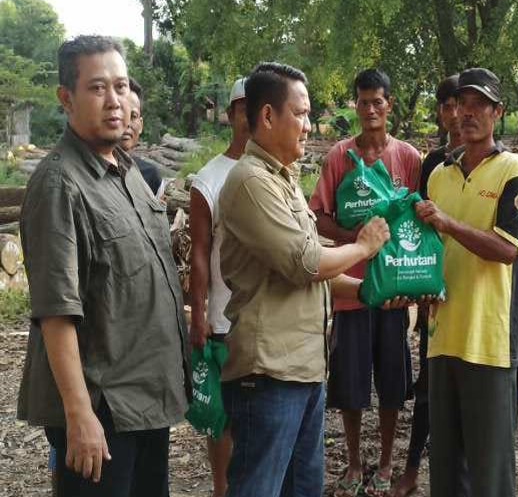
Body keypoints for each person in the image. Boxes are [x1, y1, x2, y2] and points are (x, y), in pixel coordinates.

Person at [18, 35, 190, 497]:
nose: (114, 101)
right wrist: (79, 415)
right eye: (97, 88)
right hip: (103, 410)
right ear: (66, 98)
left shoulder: (127, 171)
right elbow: (56, 311)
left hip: (145, 400)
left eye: (120, 86)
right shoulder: (60, 183)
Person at [218, 62, 391, 497]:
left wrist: (368, 290)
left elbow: (315, 276)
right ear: (268, 116)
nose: (309, 126)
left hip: (304, 369)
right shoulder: (250, 181)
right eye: (301, 114)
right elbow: (307, 263)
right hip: (268, 374)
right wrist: (364, 248)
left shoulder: (285, 180)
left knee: (303, 489)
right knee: (258, 488)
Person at [414, 67, 518, 497]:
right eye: (461, 104)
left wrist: (449, 222)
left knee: (490, 472)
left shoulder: (512, 170)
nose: (467, 113)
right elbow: (428, 252)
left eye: (479, 105)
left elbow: (508, 249)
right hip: (442, 336)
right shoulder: (438, 176)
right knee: (446, 468)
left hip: (489, 341)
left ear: (497, 112)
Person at [309, 68, 421, 497]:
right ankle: (355, 462)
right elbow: (319, 215)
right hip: (349, 290)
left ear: (389, 104)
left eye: (378, 101)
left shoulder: (407, 158)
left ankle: (388, 461)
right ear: (355, 105)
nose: (370, 109)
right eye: (363, 101)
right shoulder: (340, 157)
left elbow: (418, 217)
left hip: (394, 293)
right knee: (350, 384)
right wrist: (353, 239)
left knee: (391, 382)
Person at [391, 74, 463, 497]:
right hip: (434, 288)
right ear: (440, 112)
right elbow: (416, 226)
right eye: (448, 106)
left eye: (461, 105)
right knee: (429, 384)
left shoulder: (496, 164)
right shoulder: (432, 162)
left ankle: (458, 472)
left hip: (473, 288)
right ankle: (413, 467)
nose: (455, 114)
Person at [187, 77, 249, 497]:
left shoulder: (275, 169)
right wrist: (199, 313)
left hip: (263, 319)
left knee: (258, 412)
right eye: (242, 108)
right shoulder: (209, 179)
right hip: (224, 319)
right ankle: (221, 489)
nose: (250, 116)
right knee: (222, 415)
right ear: (230, 115)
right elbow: (199, 251)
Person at [121, 77, 163, 195]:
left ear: (141, 125)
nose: (127, 124)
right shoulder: (85, 176)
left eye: (133, 116)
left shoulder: (151, 176)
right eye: (121, 115)